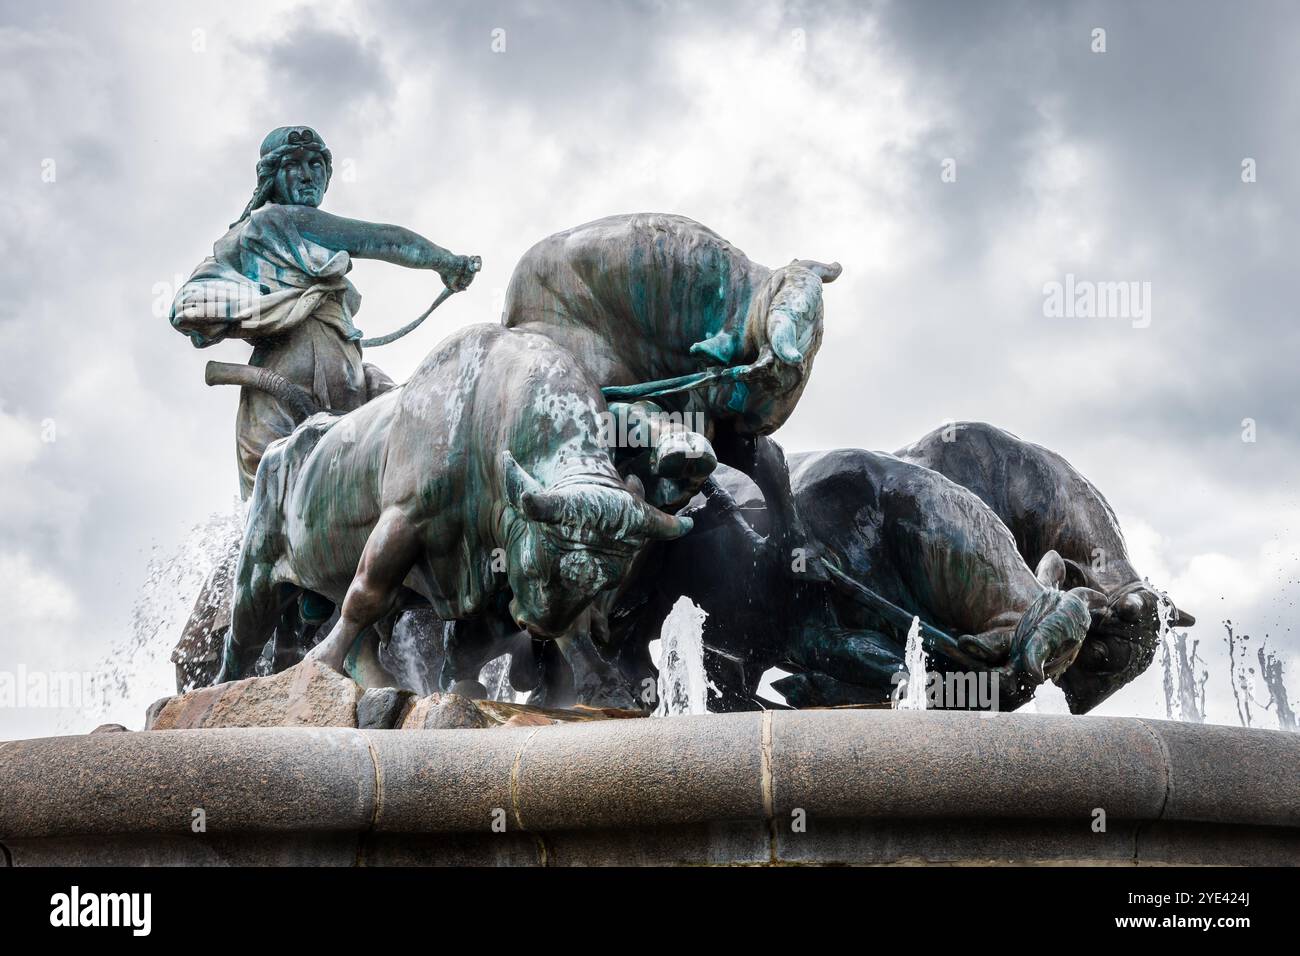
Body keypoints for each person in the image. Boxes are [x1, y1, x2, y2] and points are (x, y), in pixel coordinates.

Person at [170, 125, 478, 497]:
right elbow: (382, 239)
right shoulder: (277, 221)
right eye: (294, 165)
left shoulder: (267, 233)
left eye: (317, 164)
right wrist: (446, 262)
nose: (307, 175)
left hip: (347, 380)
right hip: (285, 392)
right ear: (272, 179)